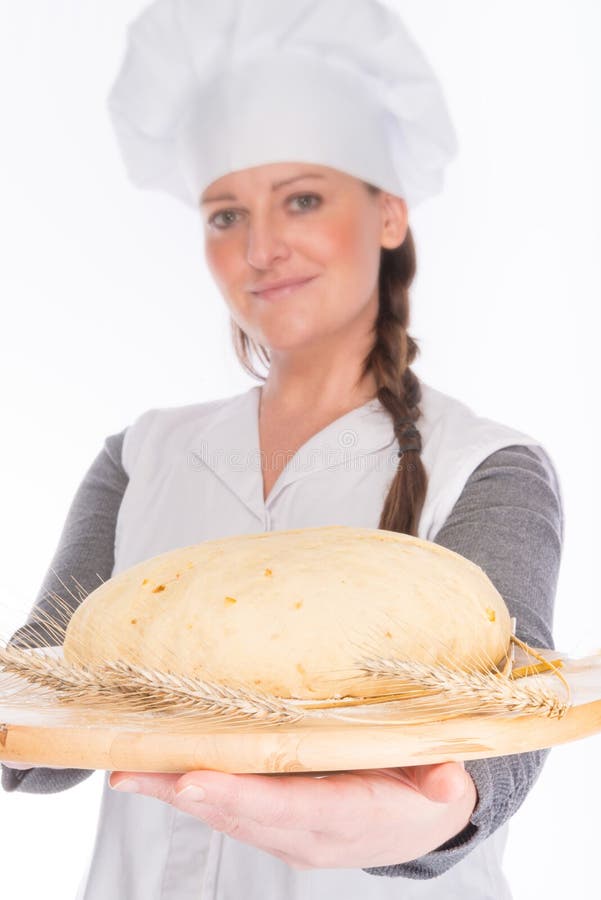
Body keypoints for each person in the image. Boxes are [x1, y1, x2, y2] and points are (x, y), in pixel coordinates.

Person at [1, 0, 564, 898]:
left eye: (302, 199)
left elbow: (515, 700)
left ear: (388, 214)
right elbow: (49, 697)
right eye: (225, 215)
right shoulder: (142, 453)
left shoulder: (488, 463)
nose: (261, 247)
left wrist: (440, 809)